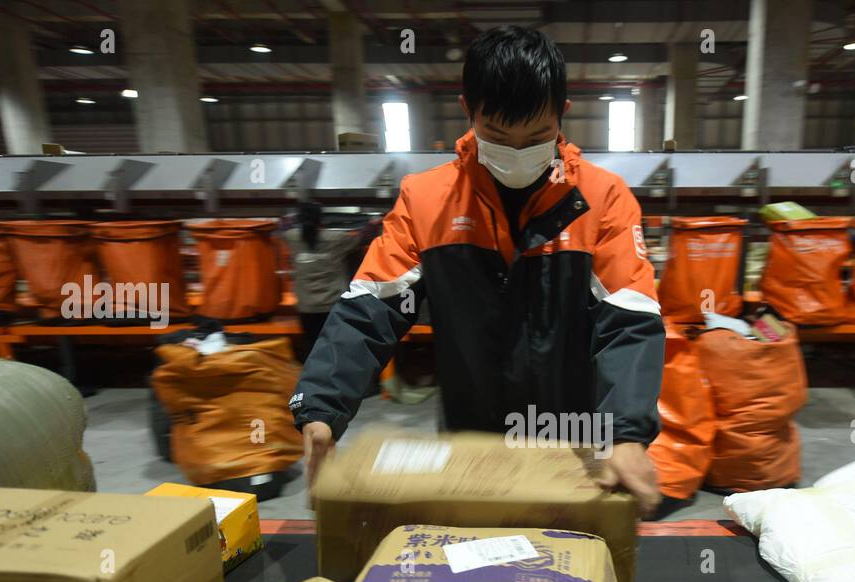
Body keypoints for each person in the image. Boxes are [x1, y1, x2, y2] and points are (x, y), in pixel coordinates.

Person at [291, 25, 665, 516]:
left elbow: (630, 320)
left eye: (537, 136)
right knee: (473, 570)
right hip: (470, 442)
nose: (516, 152)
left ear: (563, 115)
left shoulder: (601, 199)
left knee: (567, 571)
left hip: (573, 446)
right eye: (496, 134)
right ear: (469, 111)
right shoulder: (426, 200)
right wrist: (321, 406)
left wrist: (625, 431)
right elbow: (370, 309)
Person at [281, 202, 359, 362]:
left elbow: (283, 225)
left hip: (306, 307)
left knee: (312, 348)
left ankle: (313, 383)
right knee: (335, 349)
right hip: (332, 306)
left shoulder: (292, 237)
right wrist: (375, 223)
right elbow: (363, 237)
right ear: (321, 220)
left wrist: (290, 218)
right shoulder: (336, 238)